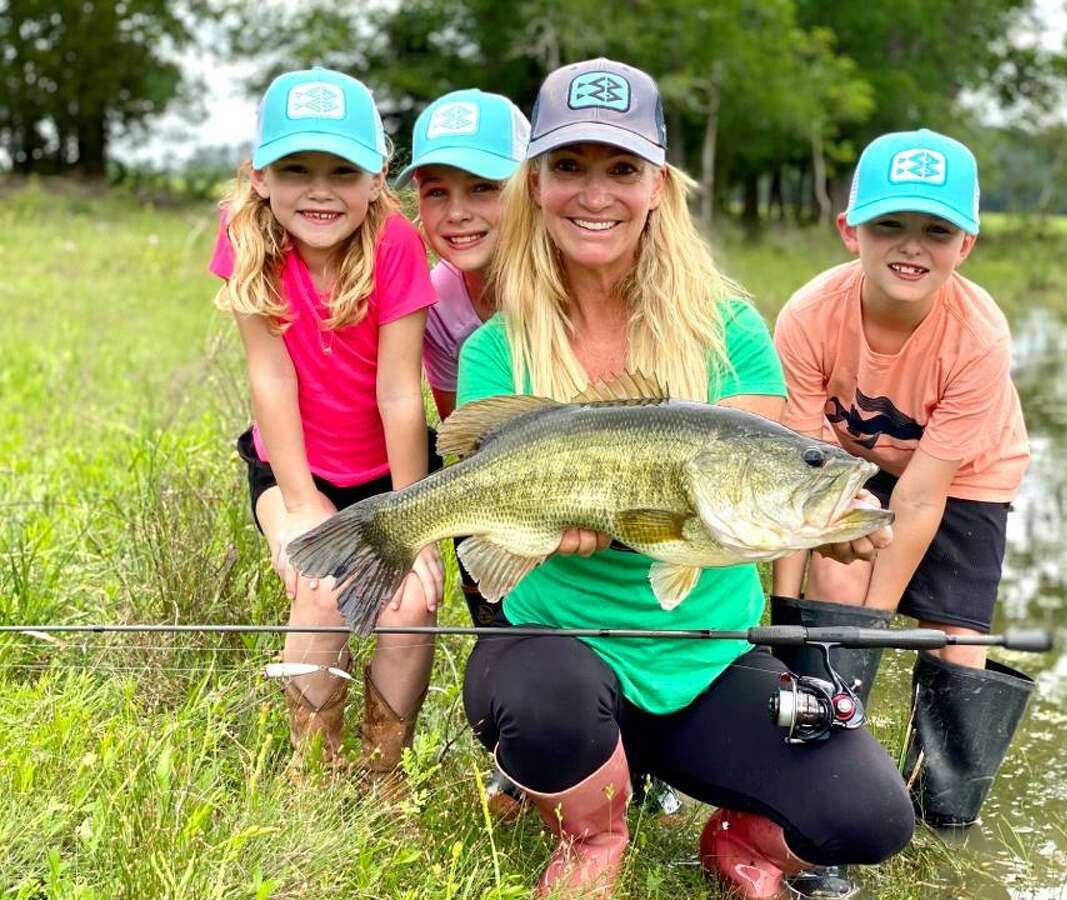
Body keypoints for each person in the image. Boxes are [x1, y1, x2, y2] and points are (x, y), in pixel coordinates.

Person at [457, 58, 913, 899]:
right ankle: (591, 833)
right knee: (548, 703)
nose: (597, 194)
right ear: (535, 185)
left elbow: (745, 487)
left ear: (659, 185)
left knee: (870, 819)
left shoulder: (731, 328)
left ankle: (736, 835)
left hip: (705, 658)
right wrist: (557, 523)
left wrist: (834, 520)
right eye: (569, 167)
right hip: (562, 649)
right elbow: (486, 499)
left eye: (623, 169)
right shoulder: (496, 349)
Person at [771, 129, 1035, 828]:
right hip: (848, 465)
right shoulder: (806, 316)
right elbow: (798, 482)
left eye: (936, 230)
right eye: (889, 224)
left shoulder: (978, 336)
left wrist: (876, 624)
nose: (911, 246)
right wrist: (784, 616)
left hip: (966, 474)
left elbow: (921, 495)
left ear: (966, 245)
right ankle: (820, 757)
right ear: (849, 230)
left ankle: (944, 810)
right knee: (832, 576)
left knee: (954, 633)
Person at [211, 67, 444, 792]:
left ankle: (382, 771)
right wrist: (301, 497)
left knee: (408, 602)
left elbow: (400, 391)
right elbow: (271, 379)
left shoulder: (397, 244)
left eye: (342, 170)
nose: (319, 190)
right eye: (296, 169)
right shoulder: (246, 240)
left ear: (377, 177)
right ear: (259, 177)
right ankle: (314, 768)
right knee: (318, 585)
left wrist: (408, 521)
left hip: (389, 471)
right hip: (292, 465)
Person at [397, 87, 532, 817]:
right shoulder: (441, 299)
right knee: (490, 578)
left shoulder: (565, 276)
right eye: (436, 190)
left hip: (589, 470)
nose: (458, 211)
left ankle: (649, 756)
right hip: (501, 467)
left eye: (485, 187)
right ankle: (520, 757)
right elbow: (464, 429)